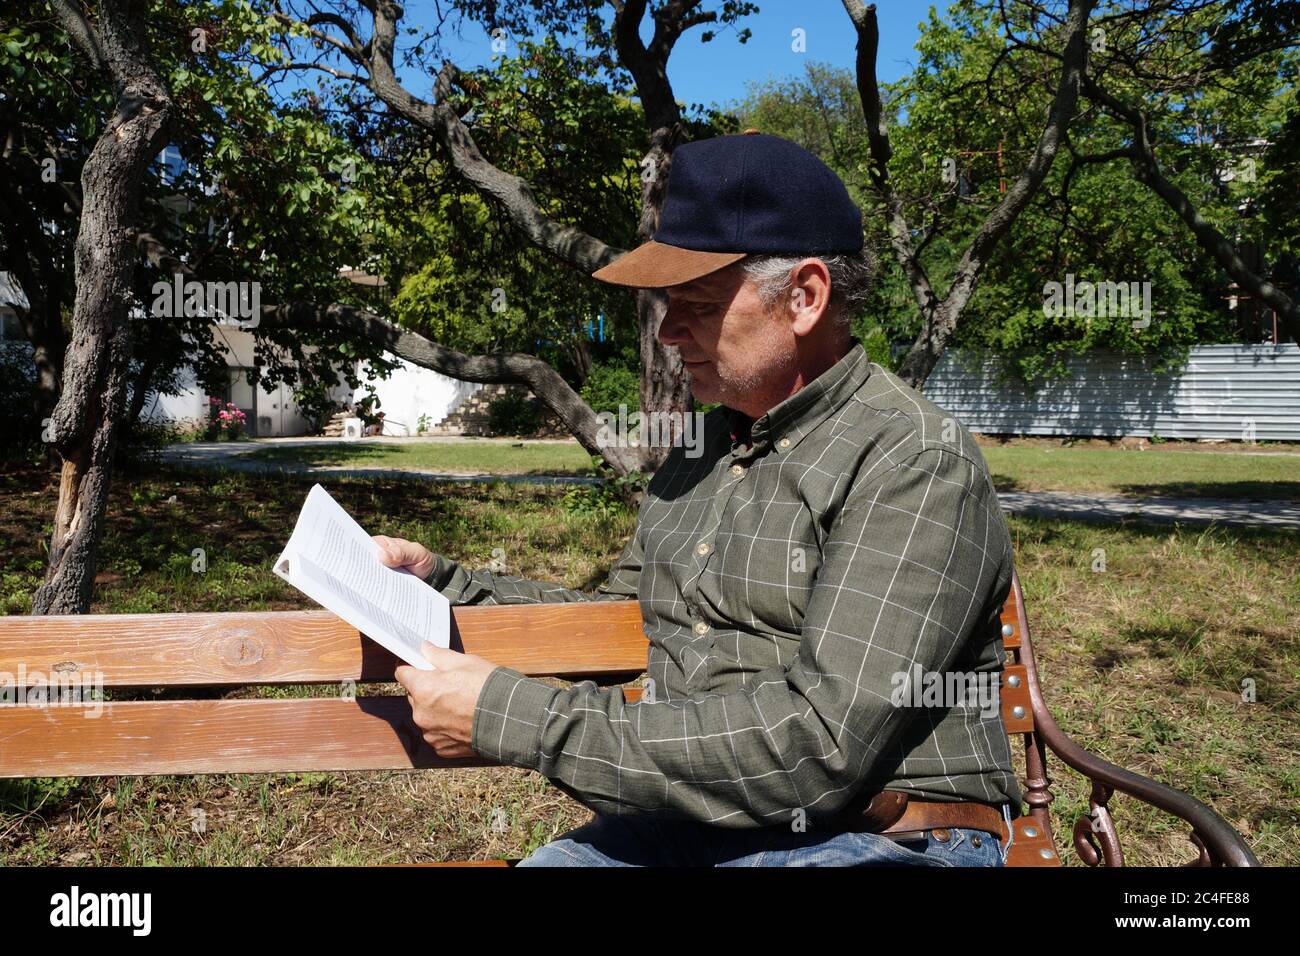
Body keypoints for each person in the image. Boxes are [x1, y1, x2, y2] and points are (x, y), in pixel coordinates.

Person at [380, 131, 1021, 866]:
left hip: (886, 837)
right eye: (666, 303)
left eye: (700, 303)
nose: (669, 330)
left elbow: (819, 747)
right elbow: (620, 625)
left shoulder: (911, 458)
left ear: (805, 298)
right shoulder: (700, 450)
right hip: (698, 826)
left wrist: (514, 719)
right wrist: (444, 584)